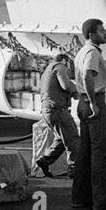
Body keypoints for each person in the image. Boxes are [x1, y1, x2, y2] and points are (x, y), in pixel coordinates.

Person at [72, 18, 106, 210]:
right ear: (91, 34)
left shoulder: (81, 51)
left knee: (85, 152)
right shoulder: (92, 52)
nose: (105, 33)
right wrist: (93, 102)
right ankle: (101, 200)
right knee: (100, 152)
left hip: (83, 101)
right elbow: (88, 75)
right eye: (101, 31)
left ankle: (81, 197)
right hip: (94, 100)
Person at [34, 51, 80, 179]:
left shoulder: (47, 70)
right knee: (73, 140)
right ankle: (74, 171)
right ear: (65, 60)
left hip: (47, 110)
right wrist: (76, 89)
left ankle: (44, 161)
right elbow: (65, 85)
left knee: (60, 139)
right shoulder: (59, 67)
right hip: (57, 109)